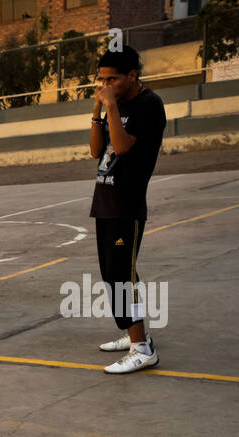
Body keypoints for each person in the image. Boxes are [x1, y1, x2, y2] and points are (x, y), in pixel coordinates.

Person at [89, 45, 166, 374]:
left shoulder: (149, 104)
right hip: (105, 201)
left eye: (113, 79)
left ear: (132, 75)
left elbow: (121, 148)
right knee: (111, 275)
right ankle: (134, 333)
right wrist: (98, 110)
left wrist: (110, 107)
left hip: (128, 205)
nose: (107, 85)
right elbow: (96, 151)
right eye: (102, 79)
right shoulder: (113, 104)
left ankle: (142, 348)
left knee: (123, 276)